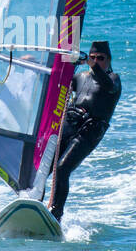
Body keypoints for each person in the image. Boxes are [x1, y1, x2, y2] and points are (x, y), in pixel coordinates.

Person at [48, 41, 121, 221]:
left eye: (101, 59)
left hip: (90, 130)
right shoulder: (80, 77)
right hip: (69, 122)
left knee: (63, 168)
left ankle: (55, 214)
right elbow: (57, 79)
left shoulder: (113, 80)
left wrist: (90, 63)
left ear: (109, 60)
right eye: (93, 57)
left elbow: (107, 85)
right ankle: (32, 204)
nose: (97, 61)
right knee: (44, 166)